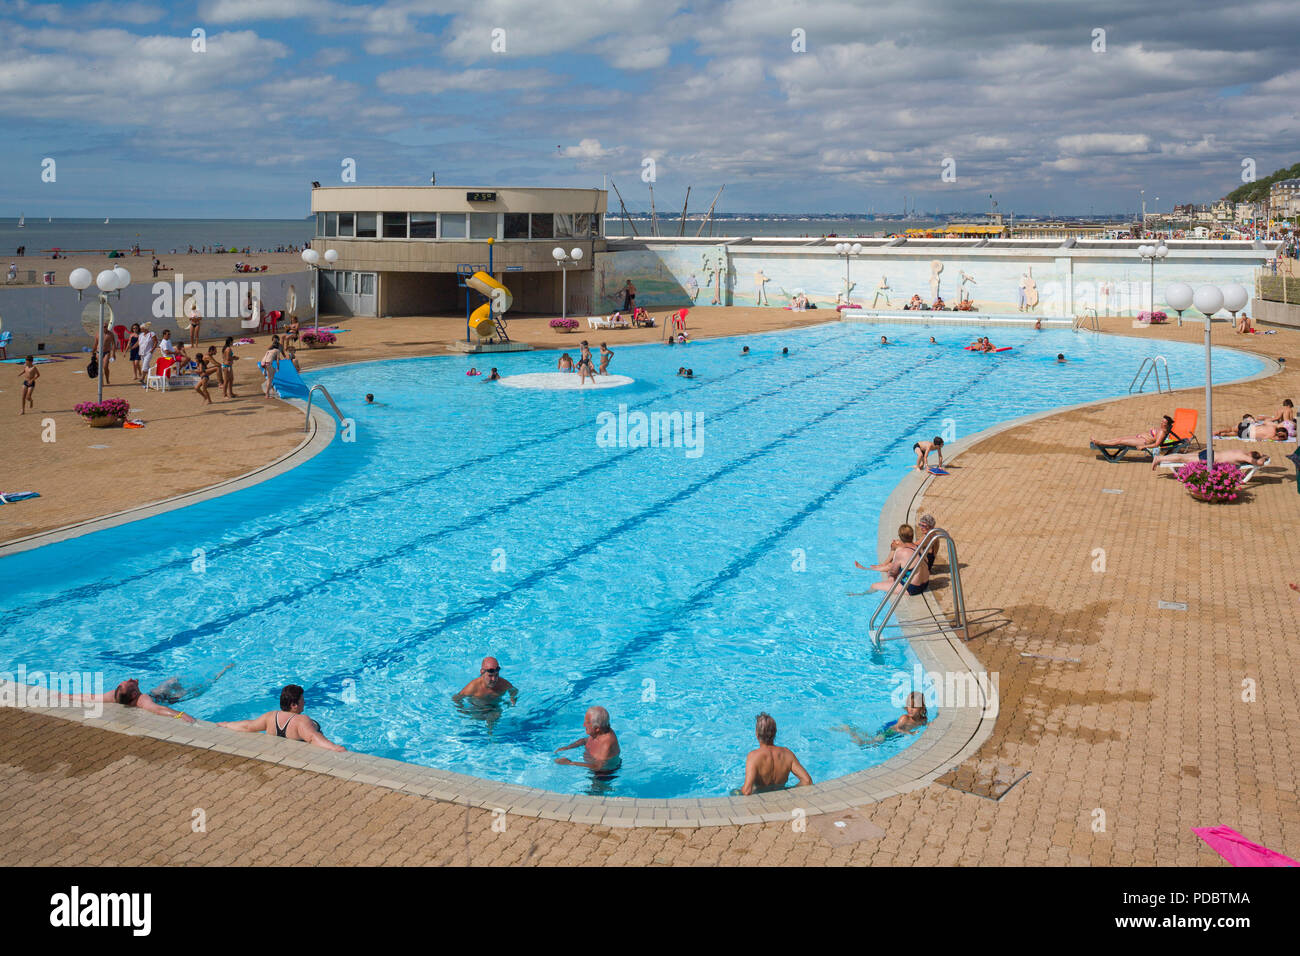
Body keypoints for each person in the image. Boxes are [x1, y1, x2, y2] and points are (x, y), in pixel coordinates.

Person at [218, 684, 345, 751]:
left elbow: (248, 726)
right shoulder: (301, 720)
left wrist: (227, 724)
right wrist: (334, 747)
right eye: (302, 700)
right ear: (294, 705)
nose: (304, 703)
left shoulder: (271, 716)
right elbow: (313, 738)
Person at [737, 712, 811, 795]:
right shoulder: (787, 754)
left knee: (734, 792)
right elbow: (807, 781)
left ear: (757, 734)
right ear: (775, 732)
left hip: (762, 800)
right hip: (781, 795)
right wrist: (789, 789)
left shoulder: (754, 756)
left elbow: (747, 791)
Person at [67, 678, 196, 723]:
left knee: (172, 680)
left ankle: (176, 684)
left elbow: (91, 698)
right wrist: (180, 714)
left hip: (156, 694)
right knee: (193, 690)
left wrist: (67, 697)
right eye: (130, 682)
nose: (130, 679)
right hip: (167, 699)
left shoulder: (115, 696)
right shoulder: (142, 700)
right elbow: (159, 709)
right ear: (135, 693)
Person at [834, 692, 929, 747]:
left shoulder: (923, 720)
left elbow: (924, 724)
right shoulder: (904, 719)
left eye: (914, 707)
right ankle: (851, 731)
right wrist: (910, 733)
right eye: (909, 706)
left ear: (921, 707)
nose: (910, 709)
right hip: (889, 732)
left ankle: (853, 729)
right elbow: (899, 729)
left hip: (896, 734)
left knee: (871, 738)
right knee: (872, 743)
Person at [870, 524, 931, 596]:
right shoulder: (919, 548)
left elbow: (893, 572)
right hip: (926, 583)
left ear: (900, 537)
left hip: (913, 588)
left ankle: (859, 594)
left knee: (874, 586)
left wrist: (890, 575)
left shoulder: (901, 552)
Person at [555, 706, 621, 771]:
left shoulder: (606, 744)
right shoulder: (600, 731)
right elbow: (585, 740)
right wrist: (568, 747)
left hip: (603, 775)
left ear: (597, 728)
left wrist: (570, 763)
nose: (584, 725)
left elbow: (598, 767)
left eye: (587, 723)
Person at [149, 664, 234, 704]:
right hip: (162, 697)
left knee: (203, 687)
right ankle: (223, 670)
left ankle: (223, 670)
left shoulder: (149, 697)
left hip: (161, 698)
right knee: (203, 687)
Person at [452, 656, 518, 705]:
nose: (494, 679)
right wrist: (462, 710)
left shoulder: (503, 683)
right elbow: (456, 698)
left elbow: (514, 690)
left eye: (496, 675)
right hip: (477, 707)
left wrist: (512, 698)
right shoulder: (473, 687)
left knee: (495, 716)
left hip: (494, 707)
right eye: (490, 676)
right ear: (482, 672)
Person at [1091, 416, 1174, 449]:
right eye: (1162, 421)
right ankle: (1100, 441)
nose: (1162, 423)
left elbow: (1156, 445)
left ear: (1167, 425)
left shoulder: (1162, 433)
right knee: (1119, 439)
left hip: (1143, 442)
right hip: (1140, 437)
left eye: (1164, 423)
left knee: (1119, 442)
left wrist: (1143, 447)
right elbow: (1171, 426)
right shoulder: (1163, 429)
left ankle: (1099, 443)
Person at [1151, 448, 1267, 470]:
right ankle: (1159, 459)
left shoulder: (1241, 451)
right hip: (1210, 459)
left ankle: (1160, 458)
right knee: (1182, 458)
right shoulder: (1243, 456)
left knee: (1184, 457)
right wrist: (1265, 457)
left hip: (1211, 453)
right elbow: (1260, 463)